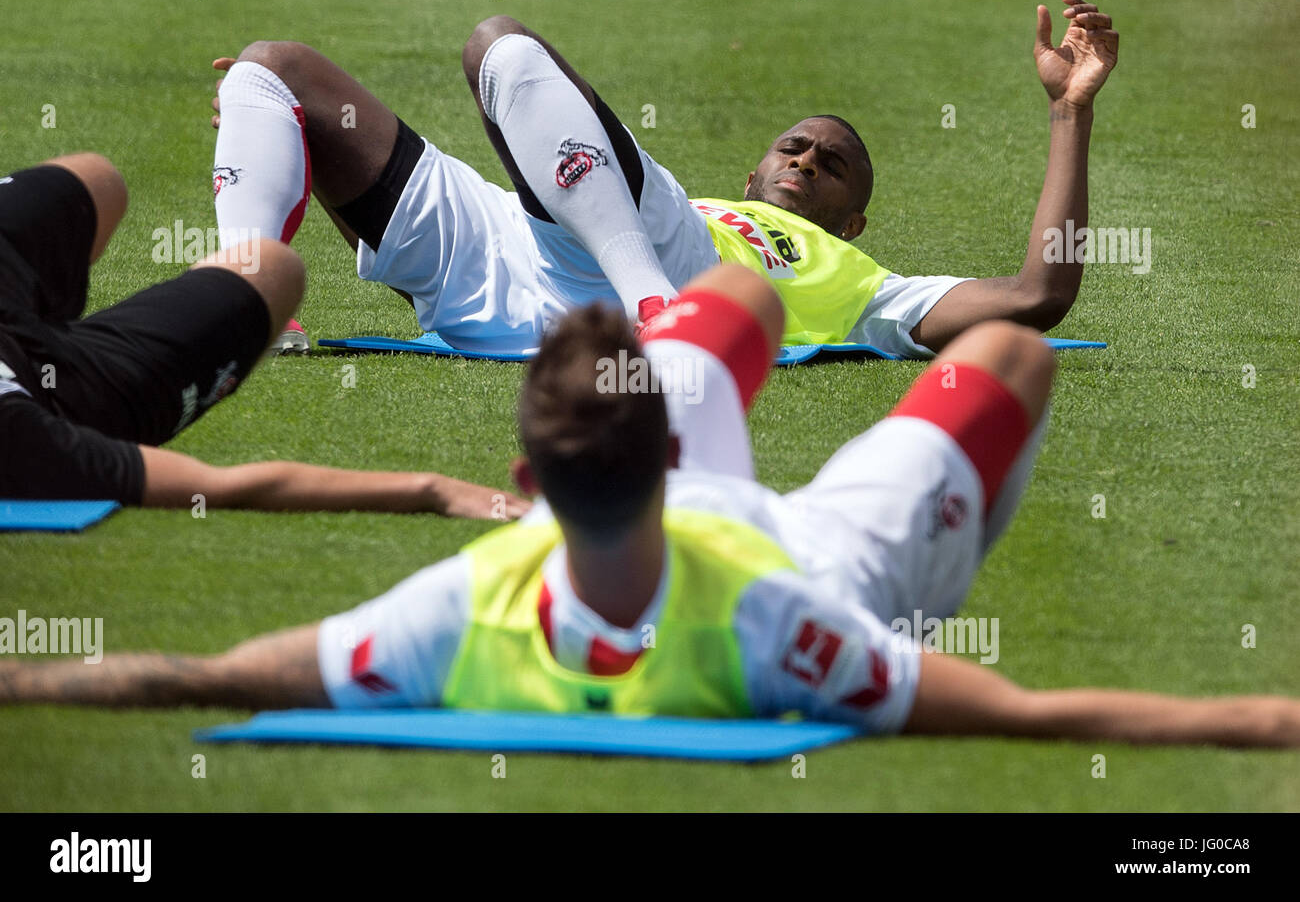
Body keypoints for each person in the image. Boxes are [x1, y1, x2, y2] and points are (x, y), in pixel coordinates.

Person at [6, 263, 1296, 749]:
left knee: (736, 297)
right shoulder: (793, 627)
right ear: (663, 462)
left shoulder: (460, 609)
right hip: (834, 539)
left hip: (698, 512)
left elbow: (205, 676)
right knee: (1005, 360)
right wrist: (1265, 715)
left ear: (525, 493)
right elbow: (1037, 715)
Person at [209, 0, 1116, 357]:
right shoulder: (690, 197)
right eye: (793, 147)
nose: (805, 160)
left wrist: (1069, 111)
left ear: (851, 226)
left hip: (671, 274)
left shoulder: (870, 285)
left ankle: (651, 303)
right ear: (751, 173)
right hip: (529, 251)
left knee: (499, 45)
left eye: (833, 166)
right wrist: (298, 150)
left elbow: (1038, 295)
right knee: (273, 67)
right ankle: (240, 307)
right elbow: (391, 222)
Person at [0, 153, 528, 518]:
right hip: (70, 388)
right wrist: (430, 490)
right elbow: (218, 486)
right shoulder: (22, 440)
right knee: (271, 268)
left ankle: (39, 314)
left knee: (97, 178)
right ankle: (49, 335)